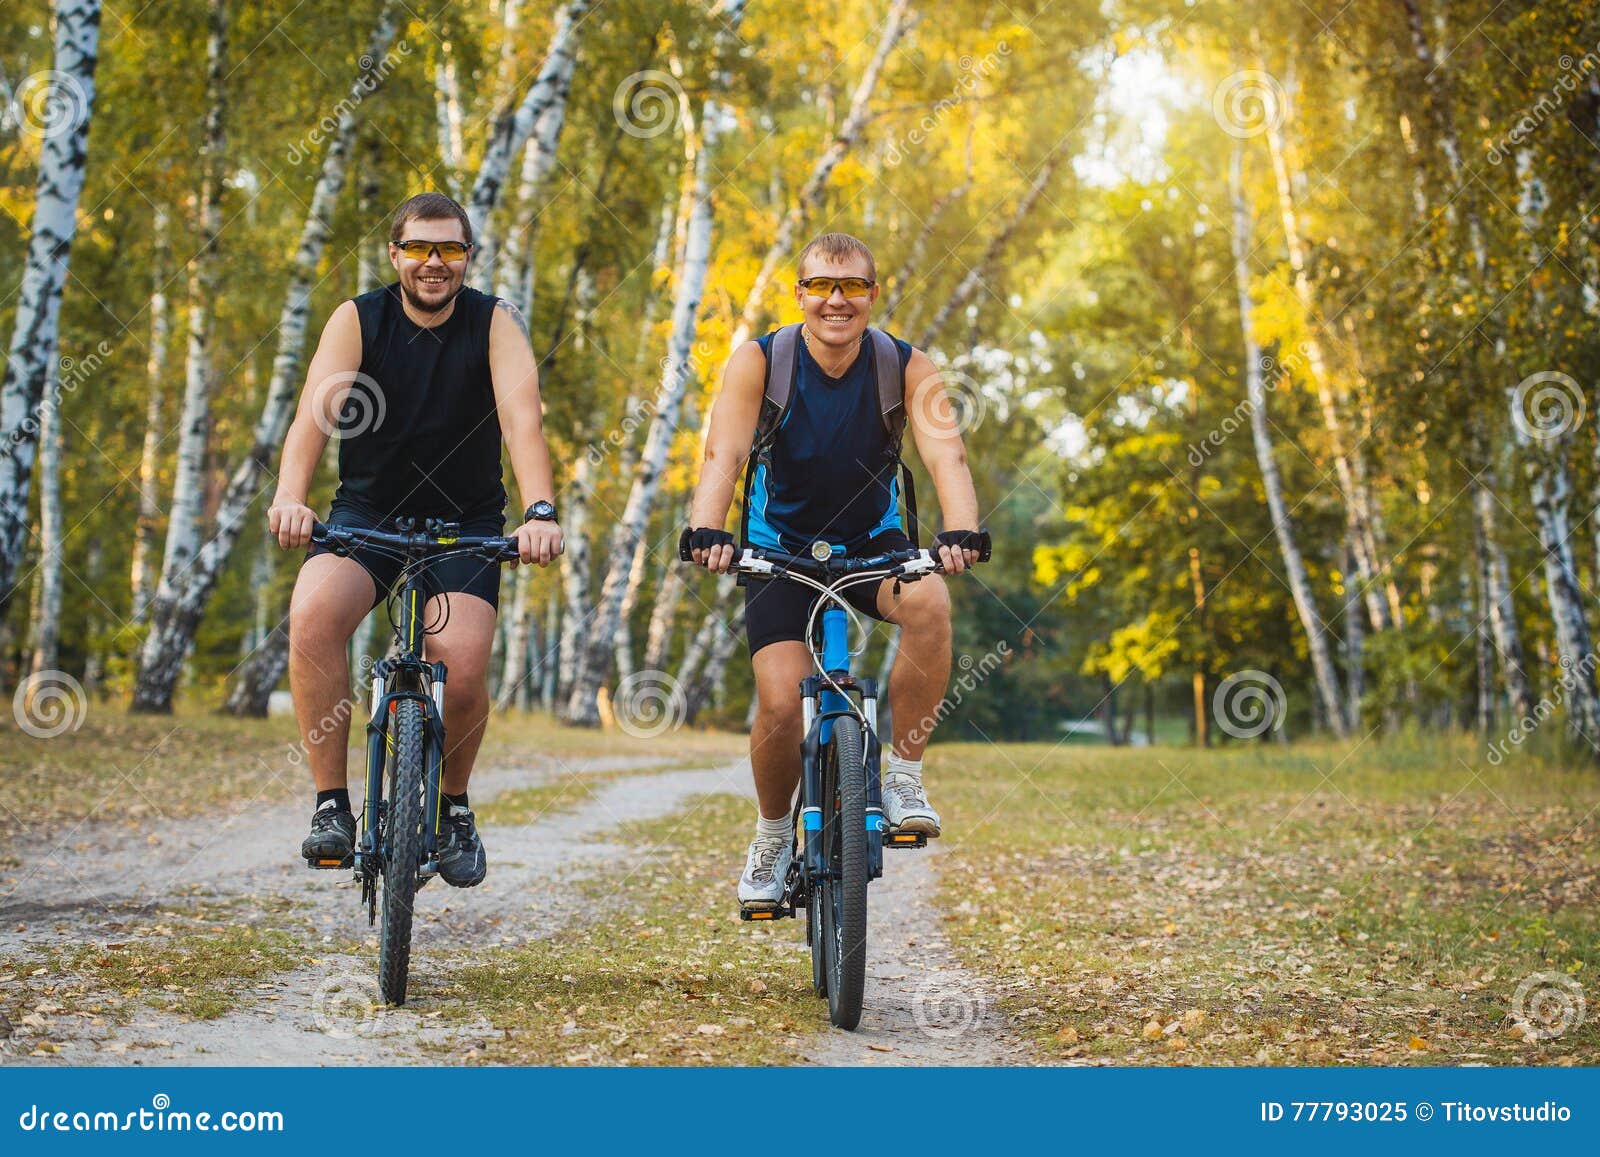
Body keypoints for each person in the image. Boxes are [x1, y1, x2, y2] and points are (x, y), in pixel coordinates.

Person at [682, 231, 987, 907]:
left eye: (851, 286)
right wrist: (708, 528)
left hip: (873, 543)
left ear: (873, 294)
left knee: (930, 603)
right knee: (780, 702)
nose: (836, 300)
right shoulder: (761, 361)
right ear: (800, 294)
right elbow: (723, 452)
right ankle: (771, 836)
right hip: (778, 548)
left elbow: (947, 455)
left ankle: (903, 776)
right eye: (821, 285)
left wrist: (961, 529)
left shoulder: (905, 365)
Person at [268, 192, 564, 887]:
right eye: (420, 248)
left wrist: (540, 511)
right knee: (312, 617)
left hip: (466, 525)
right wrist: (290, 497)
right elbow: (313, 416)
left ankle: (453, 806)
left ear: (468, 257)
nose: (435, 262)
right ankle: (331, 806)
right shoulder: (358, 319)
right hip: (366, 517)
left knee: (460, 667)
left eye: (450, 248)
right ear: (394, 254)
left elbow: (523, 422)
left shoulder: (493, 322)